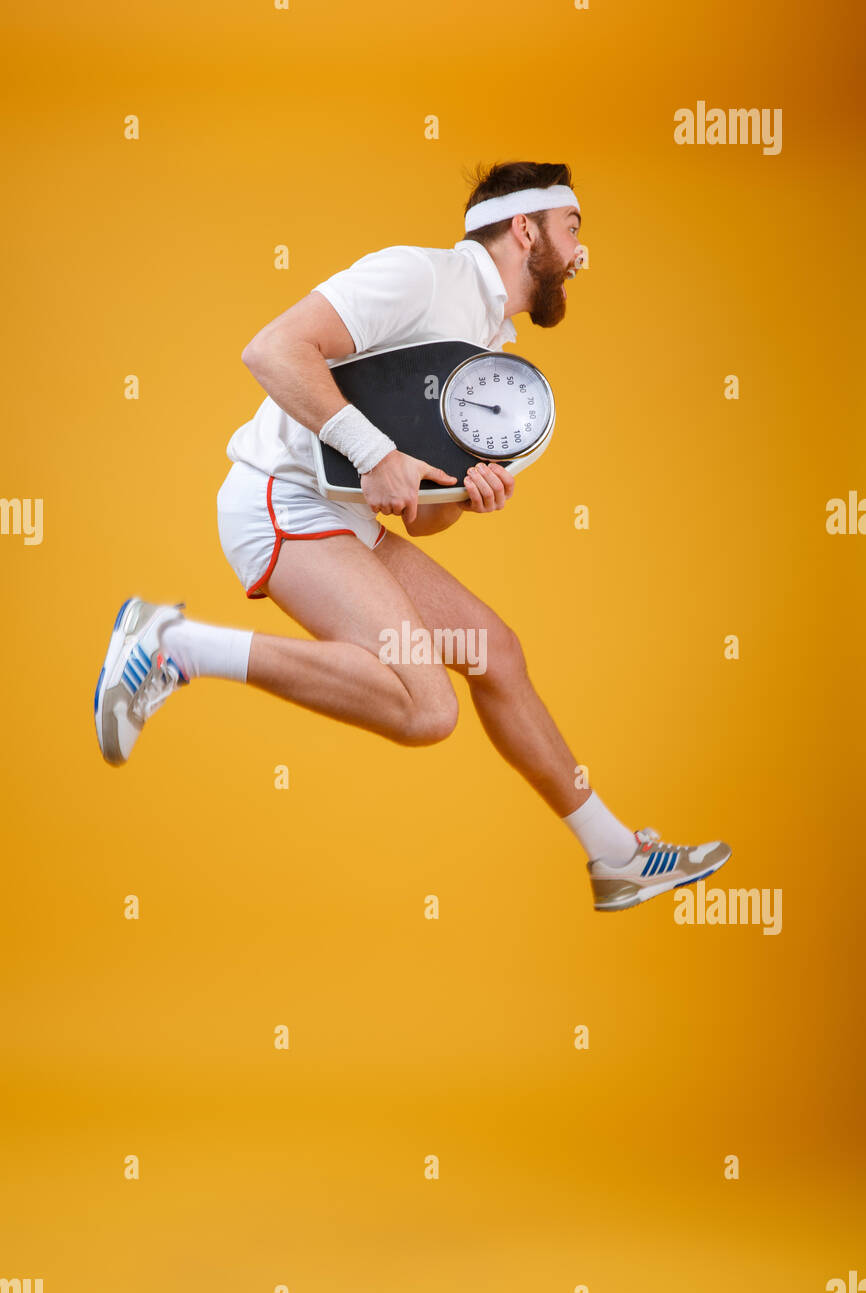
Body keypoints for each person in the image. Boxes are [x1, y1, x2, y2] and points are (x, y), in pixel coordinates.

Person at [93, 160, 731, 911]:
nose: (583, 252)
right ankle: (173, 647)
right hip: (281, 497)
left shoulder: (487, 355)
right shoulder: (421, 278)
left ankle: (616, 856)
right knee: (428, 711)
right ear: (526, 229)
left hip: (343, 518)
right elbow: (273, 350)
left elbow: (418, 512)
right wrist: (375, 454)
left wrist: (466, 495)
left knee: (494, 651)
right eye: (573, 229)